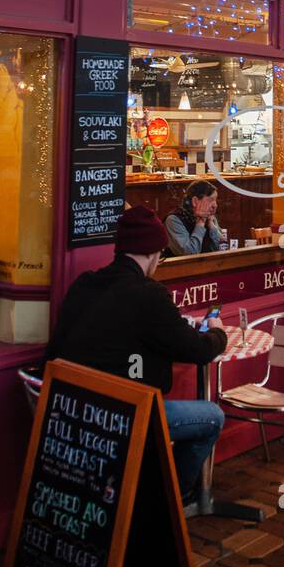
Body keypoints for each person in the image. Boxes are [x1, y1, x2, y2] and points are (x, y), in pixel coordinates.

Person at [47, 206, 227, 502]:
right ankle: (168, 500)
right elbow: (198, 350)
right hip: (120, 415)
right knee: (212, 417)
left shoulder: (84, 283)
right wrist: (218, 332)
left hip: (70, 415)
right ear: (155, 252)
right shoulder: (149, 294)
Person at [165, 179, 224, 256]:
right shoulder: (174, 220)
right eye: (210, 200)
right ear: (195, 201)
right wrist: (200, 222)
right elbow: (190, 254)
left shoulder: (209, 218)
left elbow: (221, 247)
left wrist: (211, 226)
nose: (215, 205)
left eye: (215, 200)